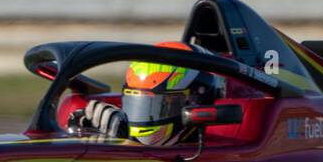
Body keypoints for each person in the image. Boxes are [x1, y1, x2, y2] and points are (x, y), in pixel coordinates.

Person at [69, 42, 223, 144]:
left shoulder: (218, 157)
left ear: (195, 102)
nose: (141, 115)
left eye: (160, 106)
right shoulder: (120, 131)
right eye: (137, 103)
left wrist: (122, 150)